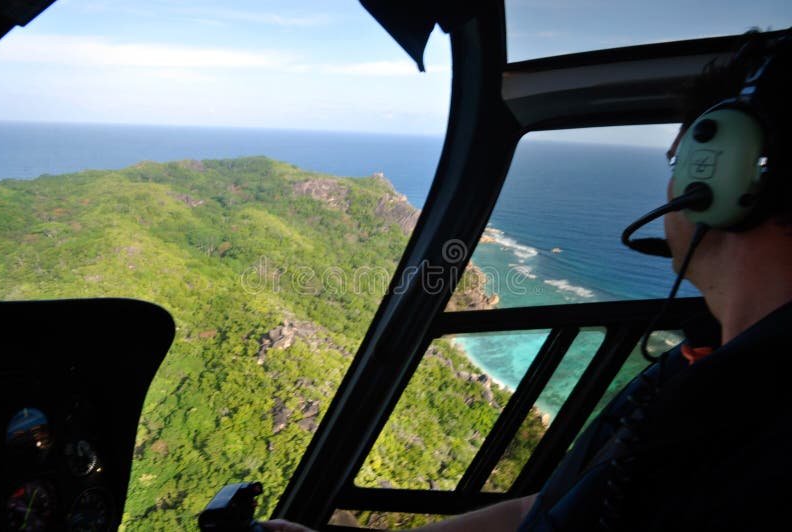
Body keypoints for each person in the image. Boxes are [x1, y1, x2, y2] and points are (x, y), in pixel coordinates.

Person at [260, 30, 792, 532]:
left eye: (681, 160)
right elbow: (546, 508)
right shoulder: (703, 362)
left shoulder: (750, 440)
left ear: (719, 178)